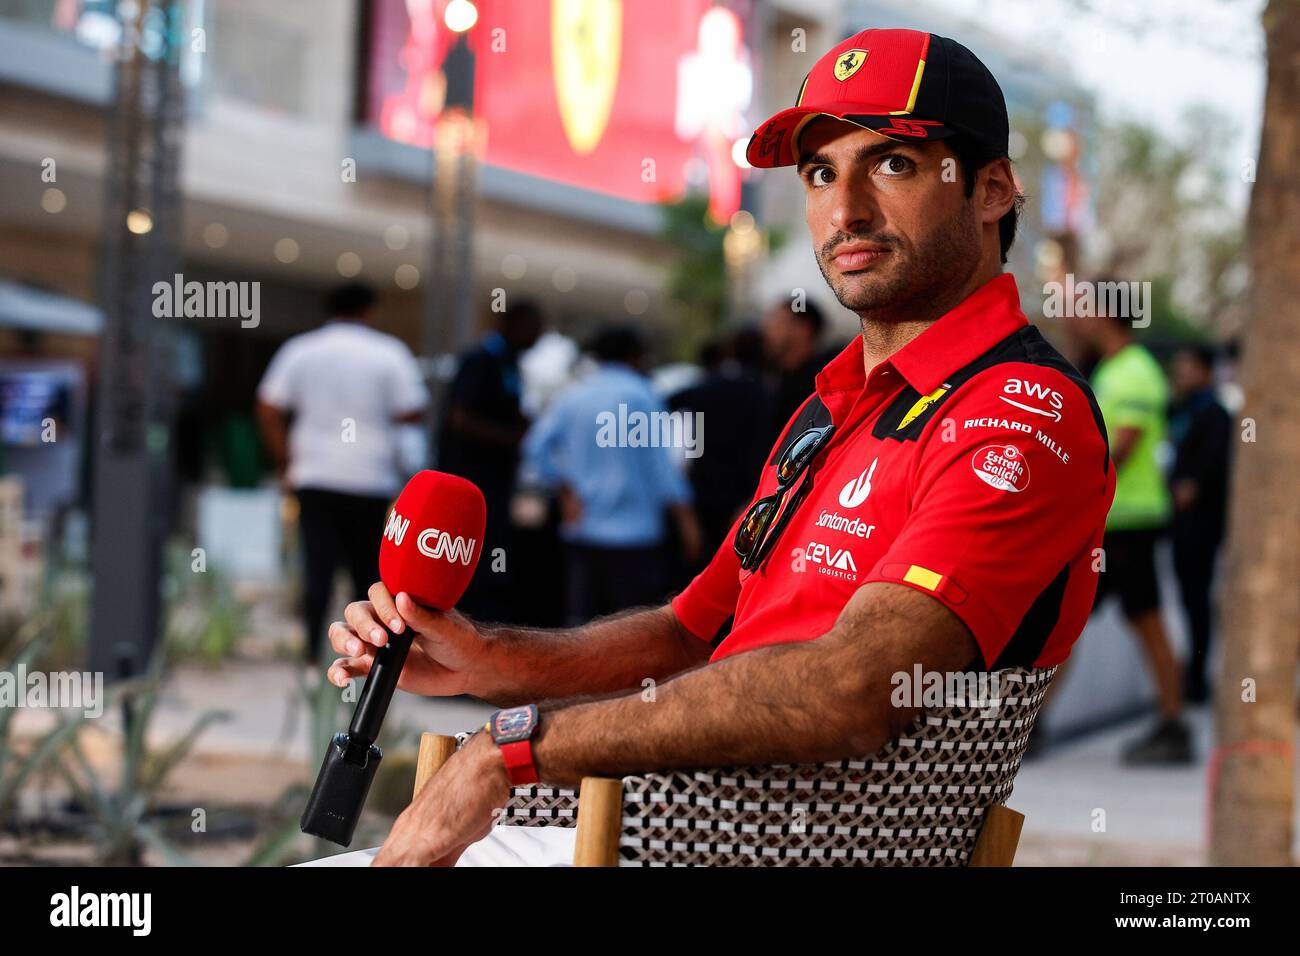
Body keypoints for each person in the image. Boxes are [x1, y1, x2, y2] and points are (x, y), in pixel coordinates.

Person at [317, 28, 1115, 866]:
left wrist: (514, 745)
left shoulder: (1023, 413)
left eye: (892, 164)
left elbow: (855, 689)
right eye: (820, 173)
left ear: (991, 190)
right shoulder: (834, 403)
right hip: (653, 829)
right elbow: (688, 635)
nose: (845, 211)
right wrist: (488, 659)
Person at [256, 283, 427, 663]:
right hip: (368, 476)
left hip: (314, 473)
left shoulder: (301, 349)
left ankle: (311, 652)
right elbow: (412, 410)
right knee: (366, 571)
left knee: (316, 564)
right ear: (369, 310)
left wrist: (285, 460)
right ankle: (366, 649)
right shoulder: (389, 353)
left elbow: (268, 406)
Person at [519, 325, 703, 624]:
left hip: (582, 530)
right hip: (635, 535)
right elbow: (661, 467)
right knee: (630, 629)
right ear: (635, 358)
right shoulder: (643, 396)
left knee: (580, 627)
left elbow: (534, 447)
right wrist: (686, 519)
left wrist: (564, 489)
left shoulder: (574, 396)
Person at [1079, 296, 1191, 763]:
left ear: (1104, 313)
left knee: (1145, 621)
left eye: (1081, 307)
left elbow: (1121, 447)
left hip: (1130, 520)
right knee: (1075, 618)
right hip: (1114, 520)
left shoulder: (1135, 371)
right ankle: (1031, 726)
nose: (1072, 315)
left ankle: (1173, 723)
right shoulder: (1113, 367)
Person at [437, 301, 544, 622]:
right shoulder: (482, 360)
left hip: (495, 480)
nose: (537, 337)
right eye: (533, 328)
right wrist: (511, 437)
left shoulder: (508, 362)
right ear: (514, 324)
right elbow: (461, 419)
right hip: (472, 478)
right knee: (471, 555)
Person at [668, 330, 771, 571]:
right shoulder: (765, 391)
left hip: (702, 489)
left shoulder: (709, 385)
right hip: (744, 493)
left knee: (699, 568)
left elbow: (668, 402)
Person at [1167, 344, 1231, 704]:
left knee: (1198, 600)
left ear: (1206, 370)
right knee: (1190, 600)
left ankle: (1197, 680)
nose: (1181, 373)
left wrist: (1191, 488)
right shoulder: (1183, 408)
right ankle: (1193, 676)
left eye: (1188, 366)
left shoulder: (1214, 412)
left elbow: (1213, 466)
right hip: (1181, 522)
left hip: (1201, 523)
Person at [762, 297, 834, 443]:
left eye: (779, 323)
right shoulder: (778, 379)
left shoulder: (822, 385)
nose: (768, 330)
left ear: (804, 329)